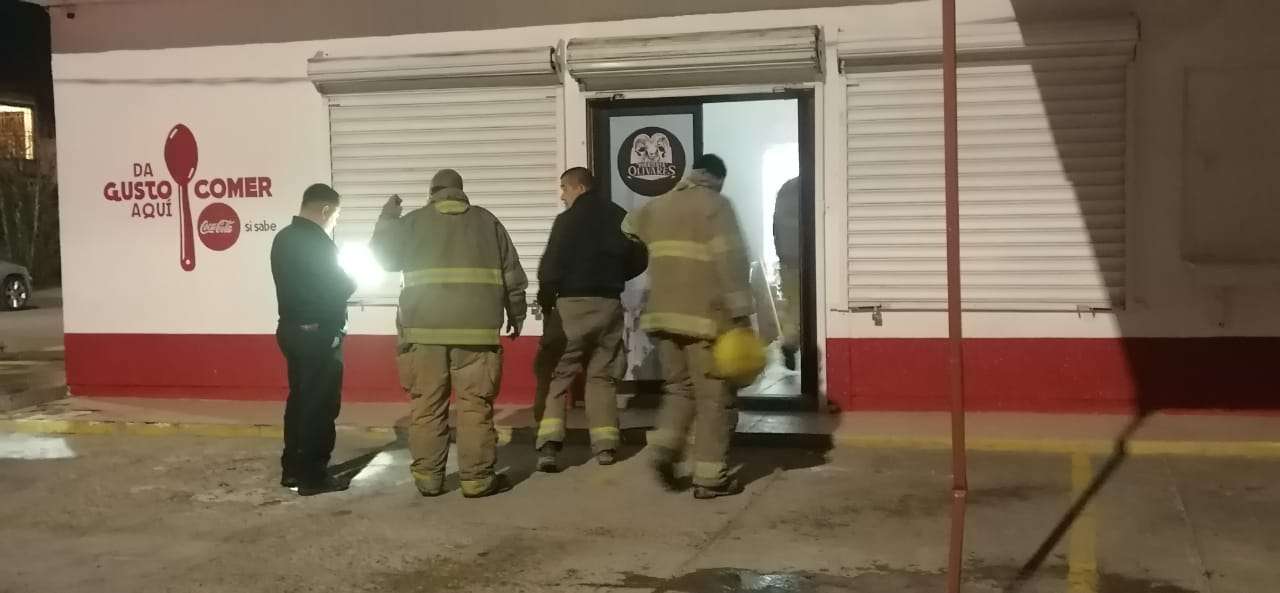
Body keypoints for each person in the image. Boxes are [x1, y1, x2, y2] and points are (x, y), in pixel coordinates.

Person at [370, 169, 527, 499]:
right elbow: (512, 275)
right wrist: (517, 315)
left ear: (432, 193)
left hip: (423, 333)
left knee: (427, 405)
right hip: (478, 333)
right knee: (475, 405)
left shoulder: (413, 222)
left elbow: (383, 258)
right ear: (460, 192)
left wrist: (387, 217)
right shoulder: (488, 222)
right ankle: (477, 480)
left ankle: (428, 479)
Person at [623, 154, 752, 499]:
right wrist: (741, 314)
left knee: (679, 390)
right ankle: (710, 478)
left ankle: (664, 449)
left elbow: (627, 226)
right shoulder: (716, 205)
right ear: (718, 179)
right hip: (704, 320)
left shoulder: (658, 205)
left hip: (663, 316)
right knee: (714, 399)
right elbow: (732, 261)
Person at [532, 167, 647, 472]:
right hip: (608, 304)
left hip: (572, 306)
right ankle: (606, 447)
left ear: (579, 188)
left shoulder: (566, 222)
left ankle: (549, 446)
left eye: (564, 189)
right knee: (601, 376)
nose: (562, 195)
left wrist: (546, 300)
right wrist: (615, 276)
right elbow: (640, 255)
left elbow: (550, 267)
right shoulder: (619, 215)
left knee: (560, 375)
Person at [270, 183, 356, 496]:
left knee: (299, 401)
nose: (334, 222)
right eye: (335, 216)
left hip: (291, 330)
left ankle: (291, 469)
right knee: (320, 405)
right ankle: (313, 476)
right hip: (319, 334)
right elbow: (339, 286)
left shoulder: (283, 238)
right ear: (325, 211)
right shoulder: (318, 243)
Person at [772, 176, 802, 370]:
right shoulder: (814, 184)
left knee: (794, 306)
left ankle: (790, 341)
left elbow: (775, 227)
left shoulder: (785, 188)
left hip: (788, 259)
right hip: (812, 258)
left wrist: (781, 253)